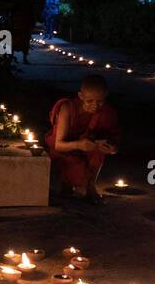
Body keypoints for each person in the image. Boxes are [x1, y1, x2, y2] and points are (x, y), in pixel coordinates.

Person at [44, 74, 120, 203]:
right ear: (81, 96)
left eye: (100, 101)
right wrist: (78, 145)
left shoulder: (108, 112)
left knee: (98, 151)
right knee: (70, 166)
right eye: (89, 101)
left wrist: (112, 149)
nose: (95, 106)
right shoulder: (68, 108)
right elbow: (58, 145)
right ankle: (65, 185)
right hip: (66, 149)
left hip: (87, 148)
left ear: (106, 95)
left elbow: (115, 142)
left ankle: (90, 188)